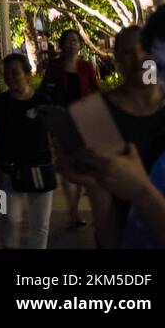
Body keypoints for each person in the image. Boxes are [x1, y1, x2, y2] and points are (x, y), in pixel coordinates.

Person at [69, 0, 165, 248]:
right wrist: (97, 183)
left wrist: (142, 192)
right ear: (116, 56)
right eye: (161, 69)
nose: (164, 82)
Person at [85, 25, 165, 247]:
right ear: (117, 57)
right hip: (127, 230)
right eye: (128, 52)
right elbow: (101, 194)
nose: (138, 58)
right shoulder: (96, 112)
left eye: (145, 49)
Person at [0, 53, 55, 248]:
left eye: (15, 73)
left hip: (40, 168)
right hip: (9, 169)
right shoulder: (0, 102)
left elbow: (54, 132)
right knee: (9, 218)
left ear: (27, 73)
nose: (10, 78)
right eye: (6, 73)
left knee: (40, 225)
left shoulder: (43, 100)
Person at [42, 28, 101, 231]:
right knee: (67, 166)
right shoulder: (54, 67)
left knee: (83, 165)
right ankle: (73, 212)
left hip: (83, 119)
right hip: (62, 121)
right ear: (62, 44)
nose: (72, 44)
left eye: (75, 40)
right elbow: (45, 90)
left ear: (80, 44)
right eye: (68, 40)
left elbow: (96, 89)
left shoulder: (86, 66)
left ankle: (74, 210)